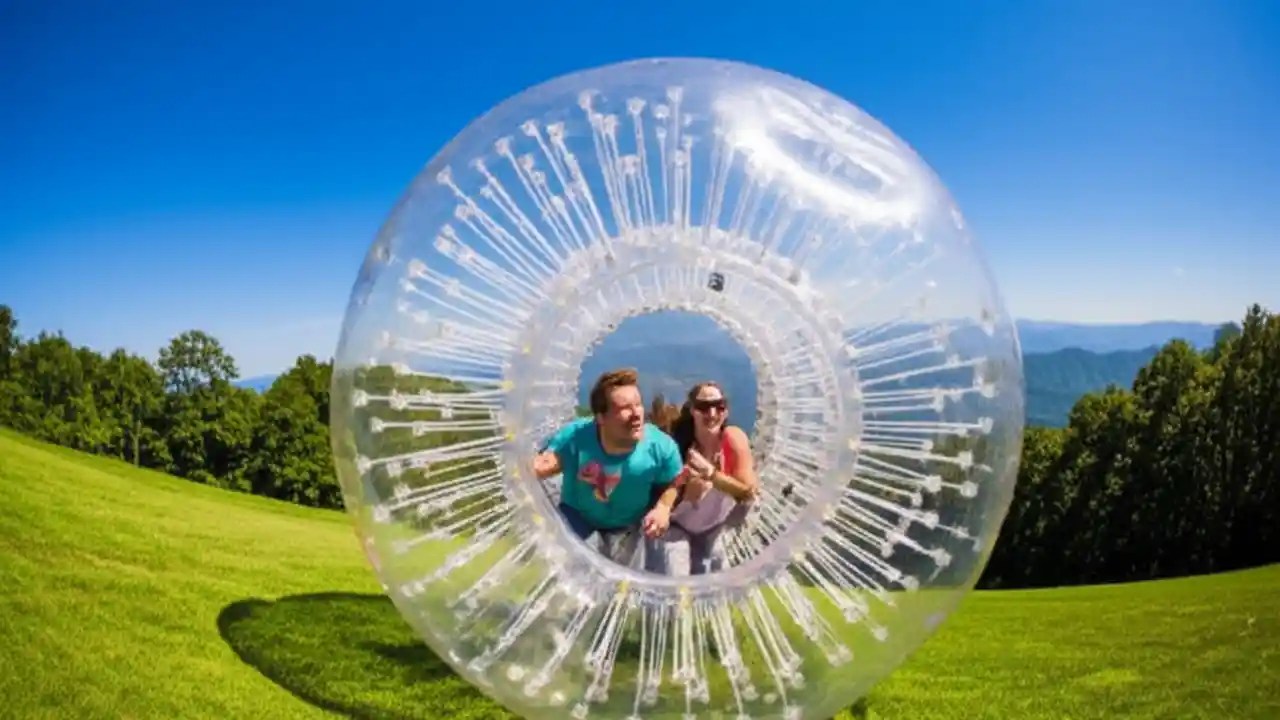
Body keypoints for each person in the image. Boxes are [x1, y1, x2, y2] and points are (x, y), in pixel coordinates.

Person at [532, 368, 684, 566]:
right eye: (625, 408)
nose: (636, 414)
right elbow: (546, 465)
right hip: (577, 515)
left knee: (618, 583)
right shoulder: (577, 436)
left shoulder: (661, 446)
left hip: (627, 523)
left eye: (638, 405)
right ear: (601, 418)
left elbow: (675, 481)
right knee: (563, 571)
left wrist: (663, 508)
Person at [645, 381, 759, 575]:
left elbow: (748, 492)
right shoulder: (678, 445)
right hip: (675, 525)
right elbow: (669, 488)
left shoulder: (732, 438)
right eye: (704, 407)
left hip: (713, 527)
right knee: (675, 576)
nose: (712, 414)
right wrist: (669, 504)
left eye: (719, 406)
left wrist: (713, 476)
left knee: (712, 582)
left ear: (726, 410)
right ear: (693, 411)